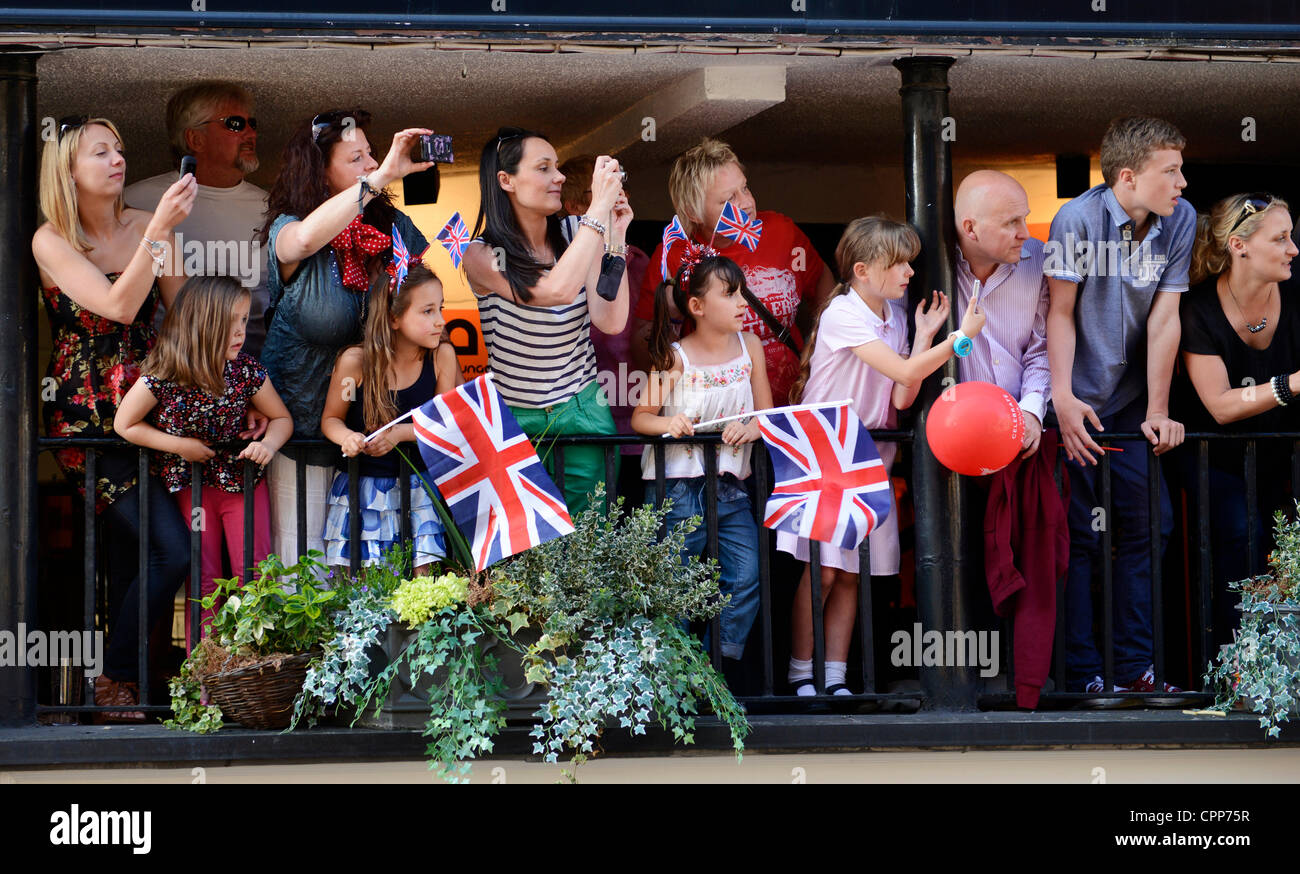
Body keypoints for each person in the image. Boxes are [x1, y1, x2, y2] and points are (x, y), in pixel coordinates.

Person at [34, 116, 195, 721]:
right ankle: (114, 678)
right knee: (168, 551)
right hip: (86, 424)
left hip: (147, 408)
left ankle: (129, 683)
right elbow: (118, 307)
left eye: (119, 147)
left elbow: (186, 324)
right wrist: (159, 230)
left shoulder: (152, 230)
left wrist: (240, 399)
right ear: (68, 169)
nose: (116, 158)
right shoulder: (52, 239)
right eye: (99, 151)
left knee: (137, 558)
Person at [783, 216, 986, 696]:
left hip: (869, 457)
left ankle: (833, 679)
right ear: (862, 271)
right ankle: (799, 676)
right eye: (897, 263)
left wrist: (920, 338)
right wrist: (960, 339)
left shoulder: (893, 316)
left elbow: (900, 396)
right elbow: (900, 370)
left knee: (852, 574)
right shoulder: (842, 314)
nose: (909, 273)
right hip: (827, 453)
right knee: (825, 570)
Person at [1044, 115, 1195, 703]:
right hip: (1077, 403)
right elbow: (1059, 313)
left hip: (1130, 408)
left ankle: (1136, 667)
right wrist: (1061, 398)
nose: (1183, 182)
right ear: (1128, 177)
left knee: (1149, 529)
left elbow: (1165, 317)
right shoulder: (1076, 218)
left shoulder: (1179, 219)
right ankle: (1081, 672)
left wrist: (1157, 409)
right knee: (1078, 539)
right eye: (1172, 171)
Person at [259, 108, 435, 565]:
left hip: (377, 440)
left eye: (372, 155)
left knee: (377, 573)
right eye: (356, 158)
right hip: (301, 432)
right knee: (305, 573)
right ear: (321, 169)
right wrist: (377, 181)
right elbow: (300, 241)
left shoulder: (392, 227)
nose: (373, 165)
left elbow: (420, 303)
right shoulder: (288, 226)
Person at [113, 275, 293, 647]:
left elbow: (282, 418)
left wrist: (269, 446)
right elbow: (124, 423)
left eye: (244, 321)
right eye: (230, 323)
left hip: (241, 483)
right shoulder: (165, 371)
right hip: (191, 488)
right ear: (202, 322)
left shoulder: (245, 372)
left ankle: (253, 670)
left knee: (254, 574)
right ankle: (204, 682)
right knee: (204, 581)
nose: (240, 332)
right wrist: (179, 446)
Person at [463, 127, 632, 515]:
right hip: (514, 415)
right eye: (544, 168)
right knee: (525, 551)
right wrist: (595, 215)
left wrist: (616, 236)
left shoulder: (579, 232)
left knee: (592, 545)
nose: (559, 177)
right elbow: (552, 292)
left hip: (581, 408)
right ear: (505, 180)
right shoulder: (481, 254)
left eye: (556, 166)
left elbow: (609, 319)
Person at [953, 170, 1067, 710]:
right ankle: (963, 689)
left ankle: (1023, 686)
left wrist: (1030, 413)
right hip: (953, 450)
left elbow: (1041, 348)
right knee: (960, 561)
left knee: (1032, 558)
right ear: (970, 228)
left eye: (1026, 218)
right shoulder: (928, 266)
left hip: (1023, 442)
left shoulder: (1039, 260)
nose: (1028, 231)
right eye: (1013, 222)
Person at [632, 250, 773, 662]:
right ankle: (676, 671)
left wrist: (750, 429)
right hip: (677, 489)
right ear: (696, 306)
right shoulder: (677, 356)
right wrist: (669, 425)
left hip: (731, 486)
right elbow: (642, 417)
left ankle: (716, 666)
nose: (743, 303)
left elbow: (766, 415)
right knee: (672, 584)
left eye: (742, 292)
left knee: (746, 576)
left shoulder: (751, 347)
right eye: (730, 294)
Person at [1176, 193, 1300, 647]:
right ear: (1239, 245)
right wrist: (1292, 385)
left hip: (1284, 457)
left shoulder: (1296, 288)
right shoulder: (1198, 310)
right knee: (1239, 536)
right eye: (1281, 239)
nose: (1293, 249)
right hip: (1218, 461)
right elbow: (1221, 405)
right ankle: (1235, 665)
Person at [630, 137, 835, 407]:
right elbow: (642, 352)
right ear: (694, 212)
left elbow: (823, 284)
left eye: (745, 188)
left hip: (791, 405)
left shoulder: (781, 232)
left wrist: (818, 353)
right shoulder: (674, 256)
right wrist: (670, 319)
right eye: (729, 199)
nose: (747, 203)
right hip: (717, 414)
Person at [320, 262, 460, 574]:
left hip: (421, 488)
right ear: (394, 318)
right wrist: (347, 437)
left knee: (425, 582)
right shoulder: (355, 362)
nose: (440, 321)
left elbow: (446, 424)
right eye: (427, 311)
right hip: (363, 490)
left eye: (441, 308)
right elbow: (331, 419)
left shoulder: (442, 357)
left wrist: (400, 434)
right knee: (370, 583)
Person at [125, 81, 271, 357]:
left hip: (254, 375)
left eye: (252, 123)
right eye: (235, 124)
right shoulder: (140, 201)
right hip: (170, 373)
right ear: (195, 139)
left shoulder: (273, 207)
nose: (250, 132)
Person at [560, 154, 651, 503]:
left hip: (638, 424)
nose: (618, 194)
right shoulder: (562, 261)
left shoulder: (640, 260)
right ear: (572, 205)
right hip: (581, 423)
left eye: (619, 183)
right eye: (604, 186)